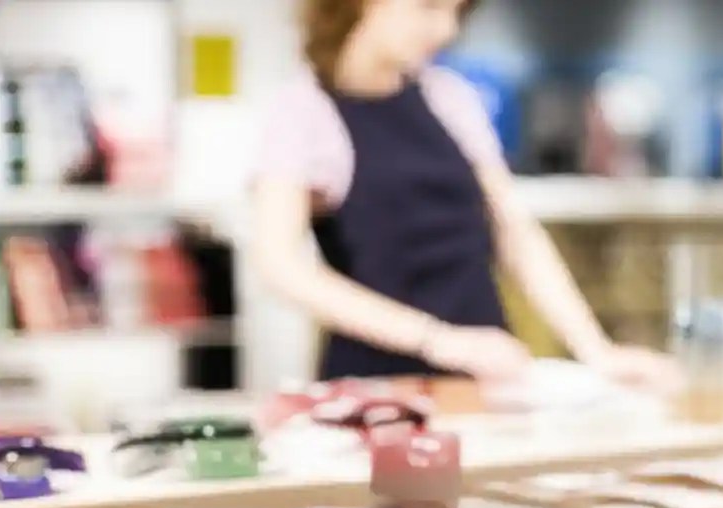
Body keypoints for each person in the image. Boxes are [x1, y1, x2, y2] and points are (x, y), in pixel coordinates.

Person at [252, 0, 674, 389]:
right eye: (429, 7)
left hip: (488, 377)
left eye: (457, 12)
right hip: (381, 388)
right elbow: (281, 265)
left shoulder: (449, 96)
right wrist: (437, 340)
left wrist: (595, 351)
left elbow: (514, 232)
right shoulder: (303, 110)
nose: (446, 29)